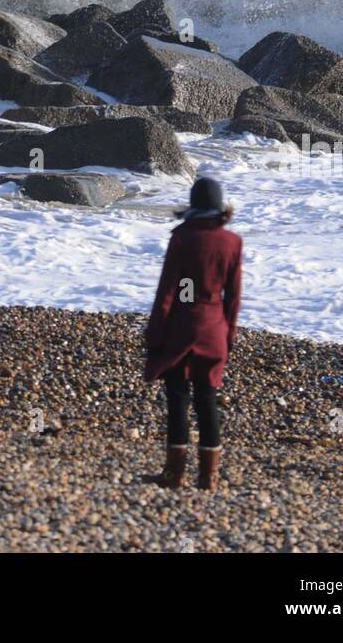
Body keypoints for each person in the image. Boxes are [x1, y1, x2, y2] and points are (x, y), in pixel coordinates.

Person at [144, 171, 242, 492]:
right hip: (215, 328)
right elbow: (233, 297)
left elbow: (169, 292)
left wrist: (155, 335)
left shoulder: (182, 238)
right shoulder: (232, 243)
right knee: (207, 400)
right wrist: (227, 337)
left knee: (178, 399)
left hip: (182, 327)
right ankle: (209, 478)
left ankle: (175, 475)